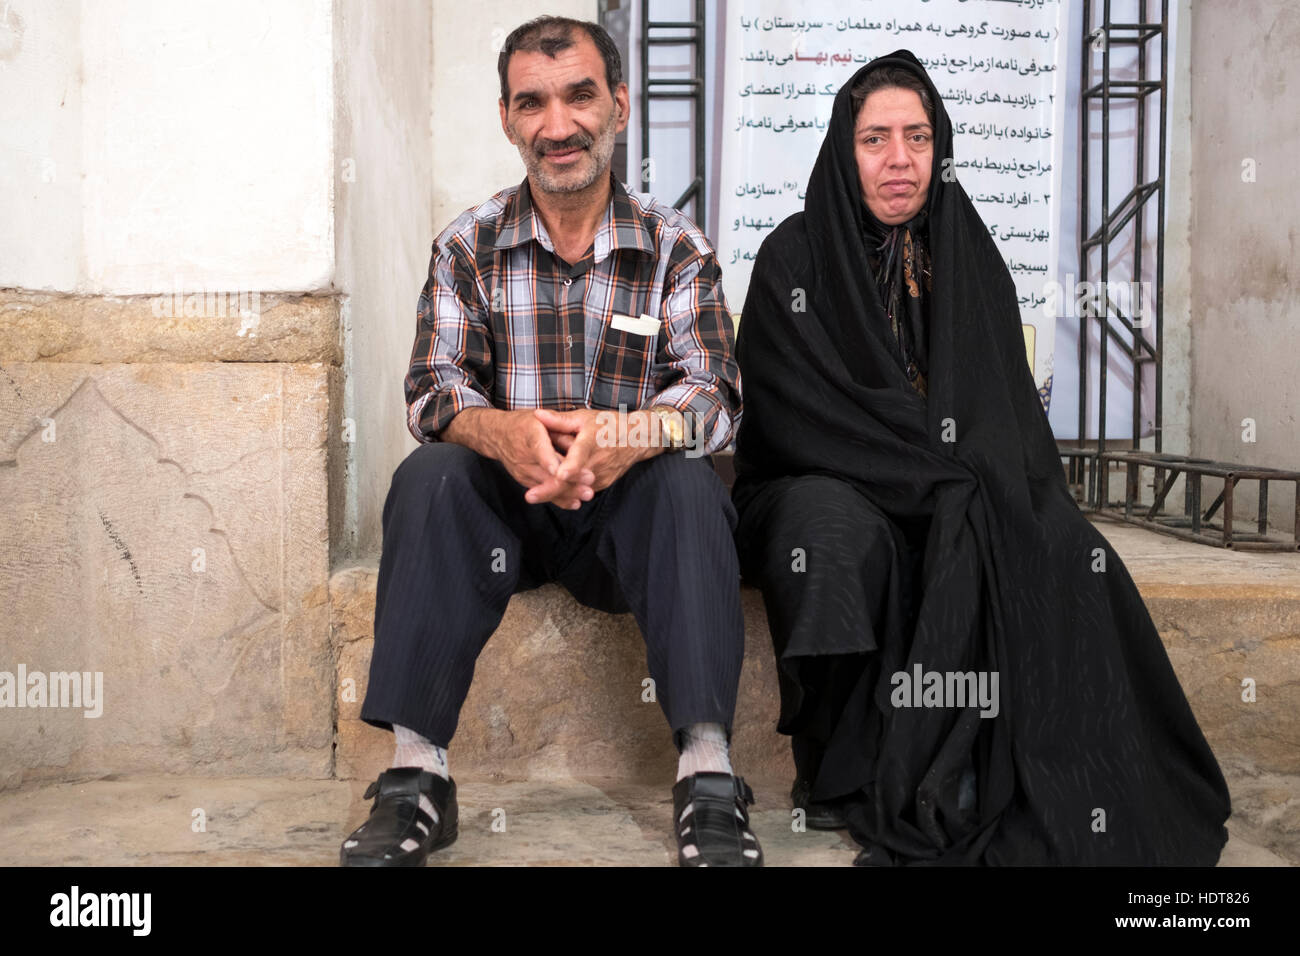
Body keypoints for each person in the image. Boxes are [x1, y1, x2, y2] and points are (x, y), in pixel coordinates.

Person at [731, 49, 1231, 865]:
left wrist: (978, 480)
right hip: (825, 479)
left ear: (941, 146)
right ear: (840, 148)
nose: (900, 160)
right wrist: (936, 468)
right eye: (876, 139)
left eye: (918, 137)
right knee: (828, 535)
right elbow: (798, 417)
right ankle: (838, 772)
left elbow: (1002, 407)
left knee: (1063, 547)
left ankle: (981, 761)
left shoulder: (965, 249)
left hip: (949, 484)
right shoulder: (796, 258)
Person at [341, 16, 761, 868]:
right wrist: (502, 433)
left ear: (620, 106)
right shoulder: (468, 244)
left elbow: (718, 392)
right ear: (506, 118)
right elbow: (433, 388)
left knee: (688, 481)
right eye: (532, 102)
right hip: (514, 520)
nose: (557, 125)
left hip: (629, 523)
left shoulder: (676, 248)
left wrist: (628, 435)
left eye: (579, 96)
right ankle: (416, 780)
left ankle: (708, 776)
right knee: (431, 476)